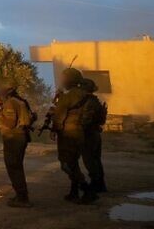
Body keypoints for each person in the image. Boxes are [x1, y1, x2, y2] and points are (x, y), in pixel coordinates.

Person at [50, 67, 96, 204]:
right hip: (80, 133)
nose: (62, 81)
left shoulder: (68, 97)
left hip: (67, 134)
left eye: (64, 78)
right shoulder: (85, 95)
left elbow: (59, 115)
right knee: (73, 162)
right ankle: (74, 192)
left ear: (70, 80)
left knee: (67, 164)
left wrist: (54, 130)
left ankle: (87, 190)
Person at [0, 76, 34, 207]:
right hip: (20, 137)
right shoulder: (20, 101)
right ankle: (21, 195)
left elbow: (9, 123)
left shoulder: (10, 103)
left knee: (14, 168)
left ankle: (22, 198)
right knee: (17, 168)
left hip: (13, 138)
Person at [80, 77, 107, 193]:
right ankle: (100, 184)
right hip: (94, 133)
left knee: (90, 160)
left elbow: (85, 120)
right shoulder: (95, 101)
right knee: (95, 160)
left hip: (89, 134)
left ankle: (96, 184)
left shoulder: (89, 102)